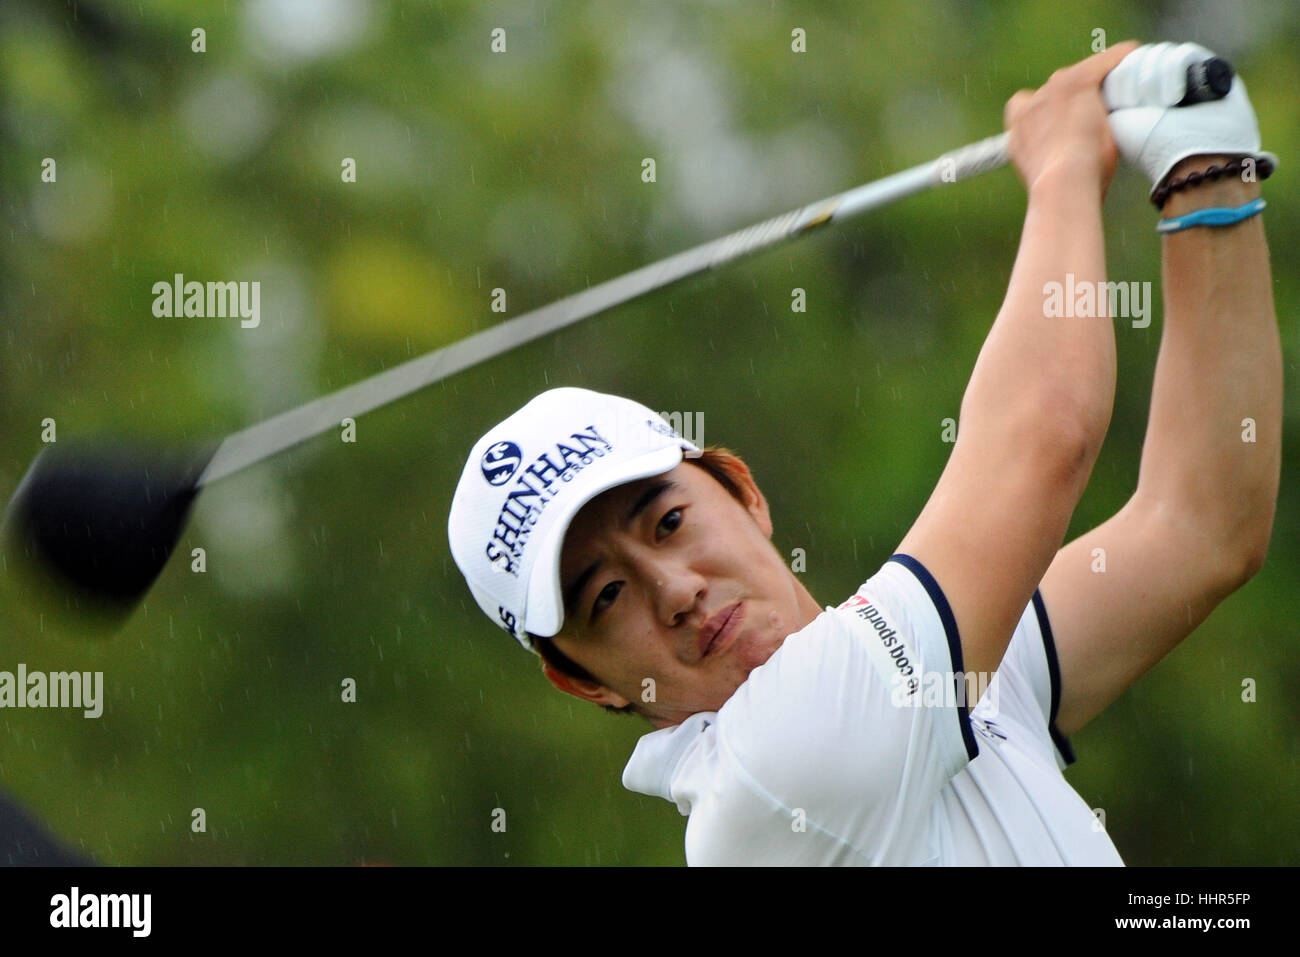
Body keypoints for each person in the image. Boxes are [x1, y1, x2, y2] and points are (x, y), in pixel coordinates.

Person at [447, 41, 1280, 864]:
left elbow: (1202, 527)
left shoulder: (931, 678)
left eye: (666, 520)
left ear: (741, 488)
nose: (674, 591)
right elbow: (1044, 436)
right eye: (604, 598)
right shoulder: (771, 774)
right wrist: (1063, 165)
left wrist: (1206, 177)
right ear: (584, 681)